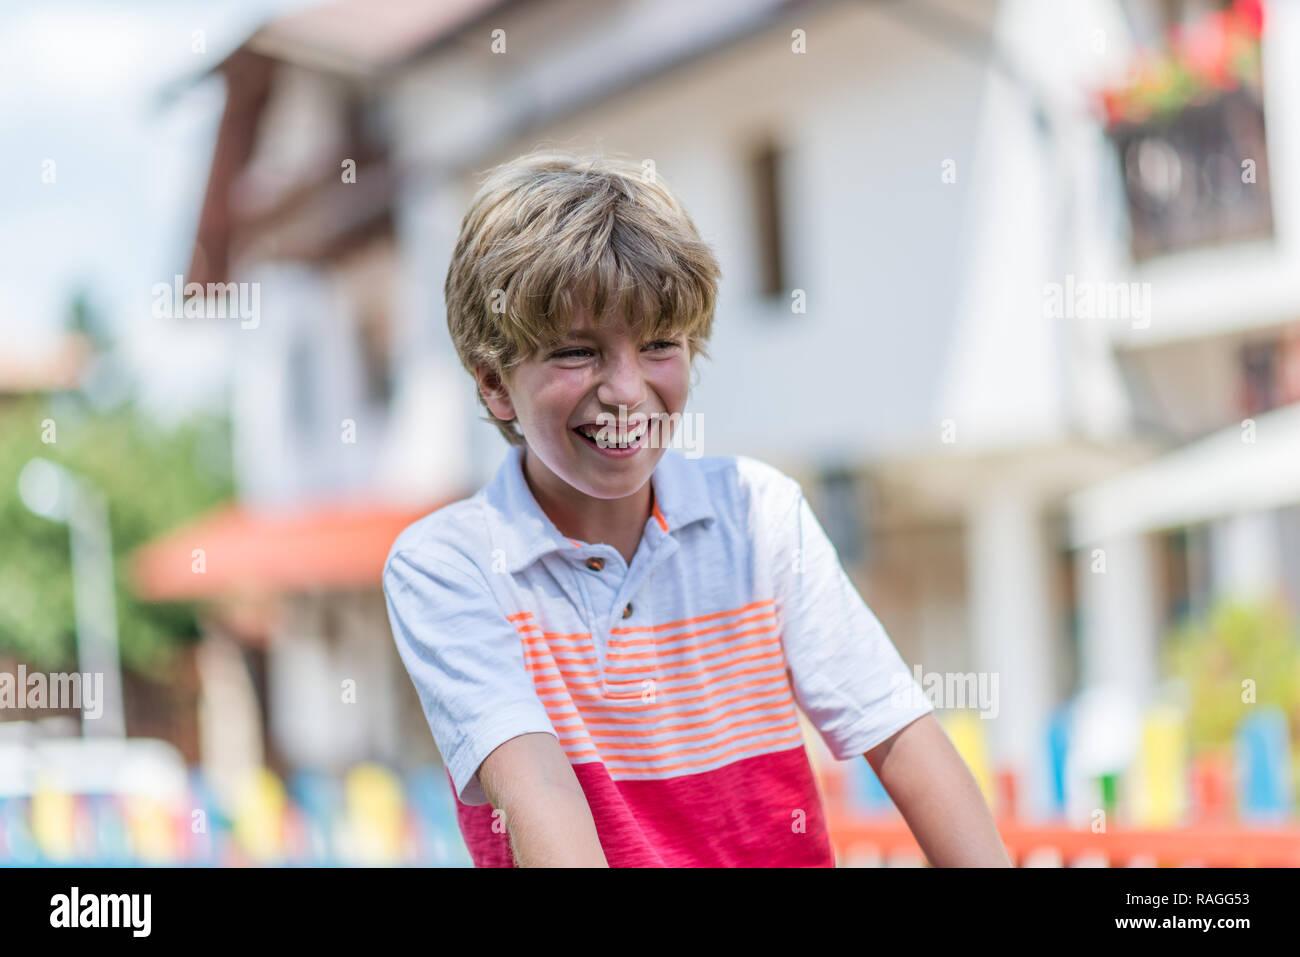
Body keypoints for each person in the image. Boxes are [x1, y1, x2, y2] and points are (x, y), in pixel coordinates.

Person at [382, 149, 1010, 867]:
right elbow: (538, 793)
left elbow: (900, 735)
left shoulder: (757, 512)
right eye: (578, 352)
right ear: (494, 383)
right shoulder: (449, 565)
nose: (626, 390)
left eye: (658, 345)